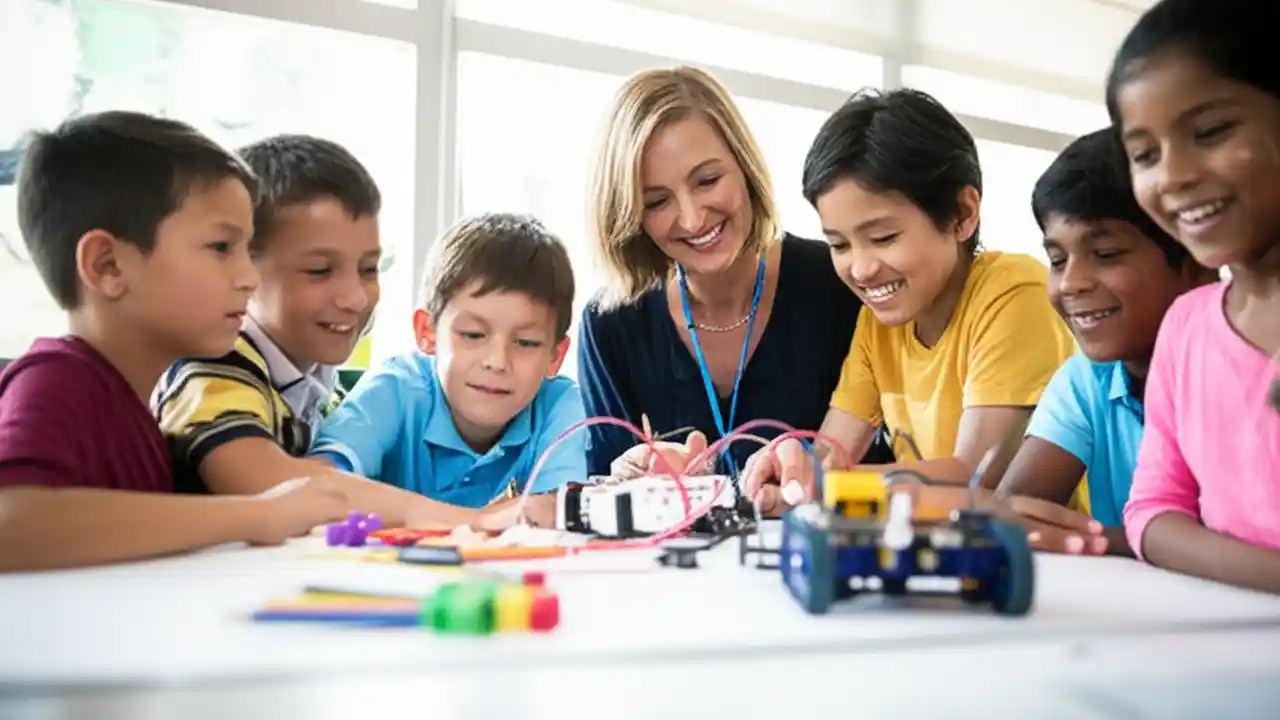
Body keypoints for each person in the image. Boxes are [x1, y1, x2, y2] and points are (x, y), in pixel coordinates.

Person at [0, 111, 347, 571]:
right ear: (109, 266)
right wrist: (259, 514)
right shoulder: (58, 379)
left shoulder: (136, 407)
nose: (248, 277)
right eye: (221, 248)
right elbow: (11, 520)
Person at [744, 88, 1076, 512]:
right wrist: (787, 473)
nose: (861, 269)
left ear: (961, 214)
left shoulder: (1014, 292)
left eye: (883, 238)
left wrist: (825, 482)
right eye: (840, 245)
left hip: (1045, 560)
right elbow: (827, 458)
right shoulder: (877, 323)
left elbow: (977, 475)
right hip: (929, 551)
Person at [577, 65, 892, 484]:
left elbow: (913, 457)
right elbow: (602, 499)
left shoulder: (842, 284)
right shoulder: (610, 324)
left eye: (707, 180)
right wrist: (629, 476)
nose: (691, 219)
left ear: (744, 166)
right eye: (656, 202)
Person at [153, 134, 472, 528]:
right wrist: (459, 519)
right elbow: (272, 484)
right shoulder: (215, 367)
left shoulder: (315, 376)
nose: (355, 298)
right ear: (243, 268)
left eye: (369, 269)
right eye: (321, 271)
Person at [1109, 0, 1280, 593]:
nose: (1174, 176)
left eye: (1209, 133)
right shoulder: (1186, 326)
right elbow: (1152, 510)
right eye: (1145, 155)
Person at [996, 128, 1215, 556]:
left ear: (1197, 262)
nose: (1071, 283)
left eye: (1107, 254)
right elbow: (1017, 513)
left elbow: (1245, 541)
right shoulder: (1087, 379)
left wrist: (1096, 541)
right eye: (1058, 260)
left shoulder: (1240, 369)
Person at [310, 213, 584, 527]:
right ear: (427, 332)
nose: (497, 361)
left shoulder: (559, 406)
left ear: (555, 356)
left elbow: (557, 515)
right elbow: (319, 484)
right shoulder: (395, 389)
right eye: (473, 335)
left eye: (526, 342)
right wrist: (474, 520)